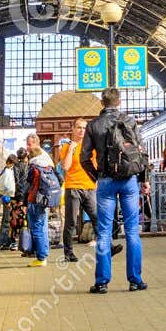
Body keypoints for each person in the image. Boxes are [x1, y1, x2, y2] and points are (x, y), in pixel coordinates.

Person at [79, 87, 148, 293]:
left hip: (106, 182)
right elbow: (140, 154)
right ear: (119, 102)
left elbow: (83, 158)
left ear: (102, 103)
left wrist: (97, 176)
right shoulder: (130, 121)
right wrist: (143, 180)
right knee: (132, 231)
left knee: (104, 232)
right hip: (129, 181)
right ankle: (135, 280)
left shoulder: (94, 125)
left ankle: (102, 282)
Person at [58, 117, 98, 263]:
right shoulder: (66, 147)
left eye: (84, 128)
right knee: (71, 222)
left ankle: (106, 247)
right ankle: (68, 253)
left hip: (89, 187)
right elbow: (66, 167)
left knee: (97, 218)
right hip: (73, 188)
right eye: (79, 127)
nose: (82, 130)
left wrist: (97, 182)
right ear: (73, 129)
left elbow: (96, 166)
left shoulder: (92, 148)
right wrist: (71, 148)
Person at [22, 134, 57, 267]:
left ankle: (41, 257)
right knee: (42, 227)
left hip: (35, 199)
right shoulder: (48, 163)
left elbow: (28, 185)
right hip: (45, 199)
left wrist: (24, 201)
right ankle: (44, 253)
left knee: (37, 228)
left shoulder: (34, 166)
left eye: (29, 144)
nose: (27, 147)